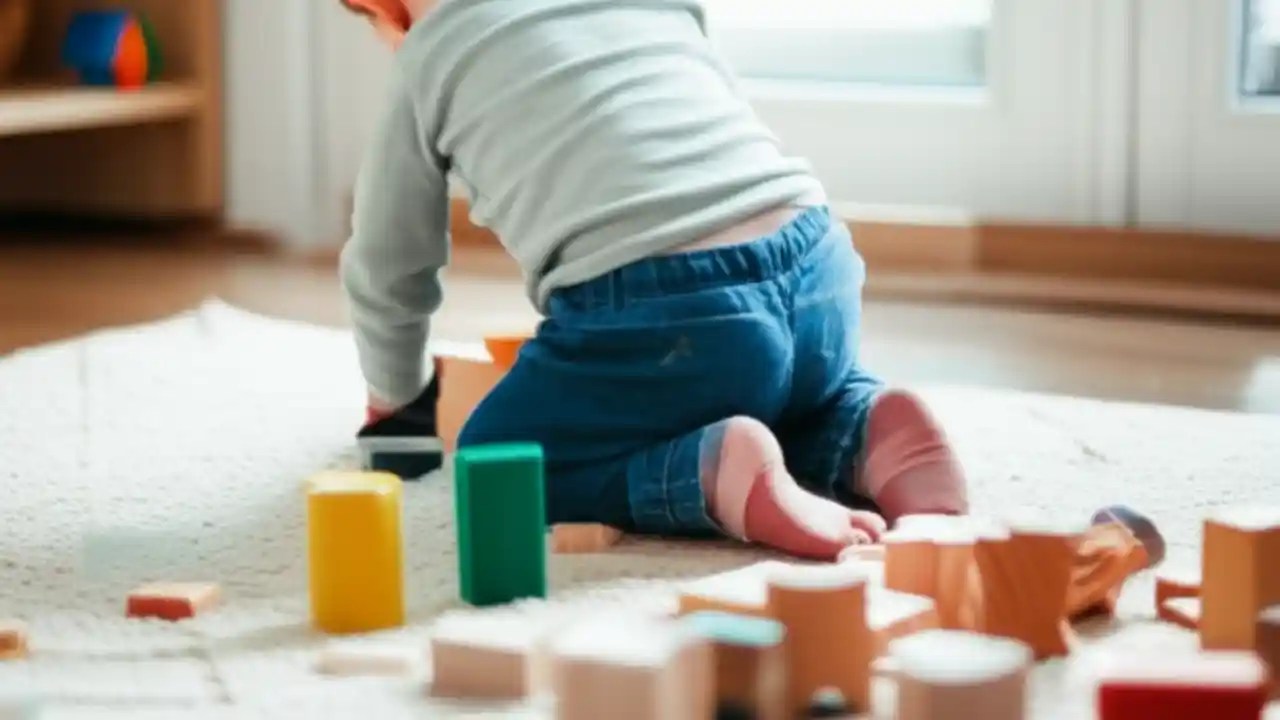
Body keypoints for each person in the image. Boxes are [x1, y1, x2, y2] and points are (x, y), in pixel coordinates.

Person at [339, 0, 968, 560]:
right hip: (817, 263)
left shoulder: (429, 54)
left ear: (385, 9)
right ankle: (864, 426)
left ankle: (713, 473)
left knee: (497, 461)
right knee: (784, 392)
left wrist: (396, 400)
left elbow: (387, 262)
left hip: (671, 310)